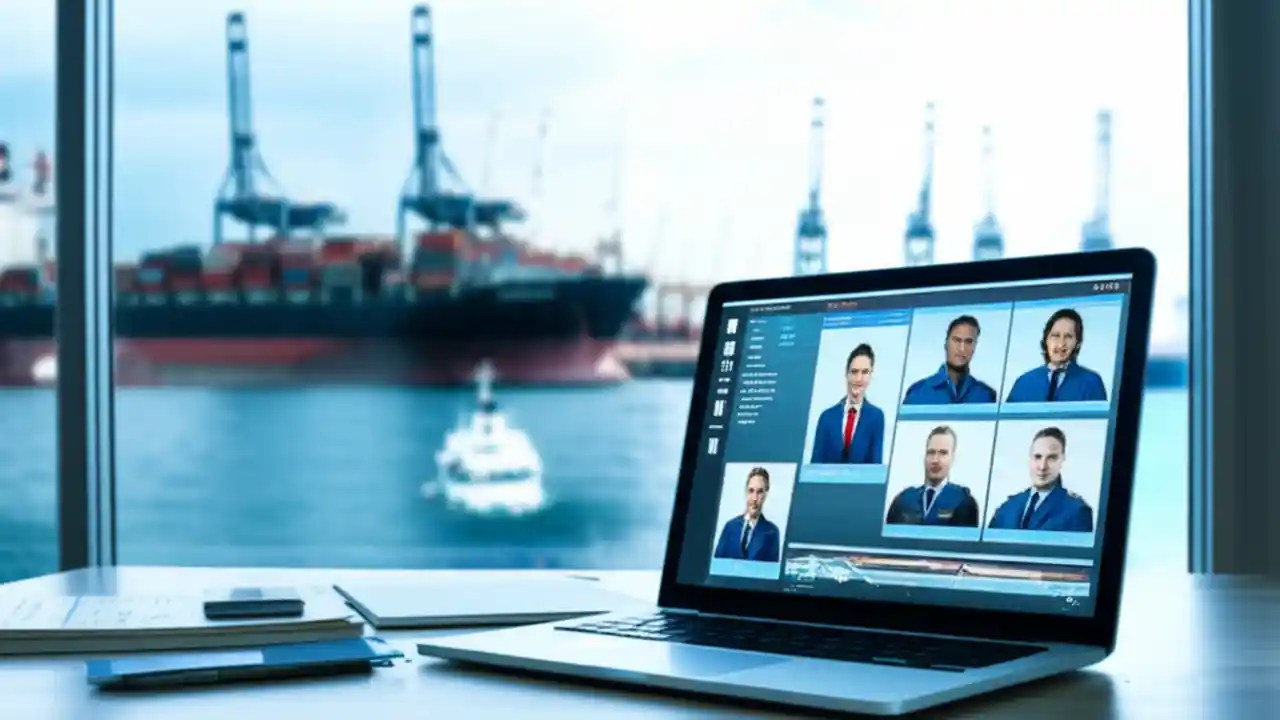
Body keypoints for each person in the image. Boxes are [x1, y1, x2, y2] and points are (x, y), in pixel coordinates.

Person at [987, 427, 1094, 532]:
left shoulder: (1077, 511)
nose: (1042, 466)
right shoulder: (1008, 507)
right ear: (1030, 458)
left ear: (1062, 459)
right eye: (1037, 457)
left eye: (1051, 458)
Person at [1005, 309, 1108, 402]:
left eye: (1068, 336)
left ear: (1077, 343)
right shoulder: (1023, 383)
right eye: (1055, 336)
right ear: (1046, 340)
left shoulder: (1091, 382)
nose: (1061, 344)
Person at [885, 426, 980, 526]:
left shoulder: (962, 501)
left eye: (943, 453)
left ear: (953, 458)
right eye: (931, 452)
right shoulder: (903, 500)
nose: (935, 460)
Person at [809, 344, 885, 464]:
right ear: (846, 373)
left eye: (864, 372)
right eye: (854, 372)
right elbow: (815, 464)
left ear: (871, 375)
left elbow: (875, 465)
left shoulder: (876, 417)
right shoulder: (827, 417)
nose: (858, 379)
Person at [902, 315, 998, 404]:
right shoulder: (917, 393)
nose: (962, 348)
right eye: (957, 340)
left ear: (975, 347)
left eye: (969, 342)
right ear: (946, 344)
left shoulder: (986, 395)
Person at [712, 467, 781, 562]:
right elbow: (717, 564)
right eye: (751, 491)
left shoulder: (772, 532)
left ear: (766, 494)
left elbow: (771, 569)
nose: (755, 498)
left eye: (760, 492)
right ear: (746, 492)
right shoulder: (730, 527)